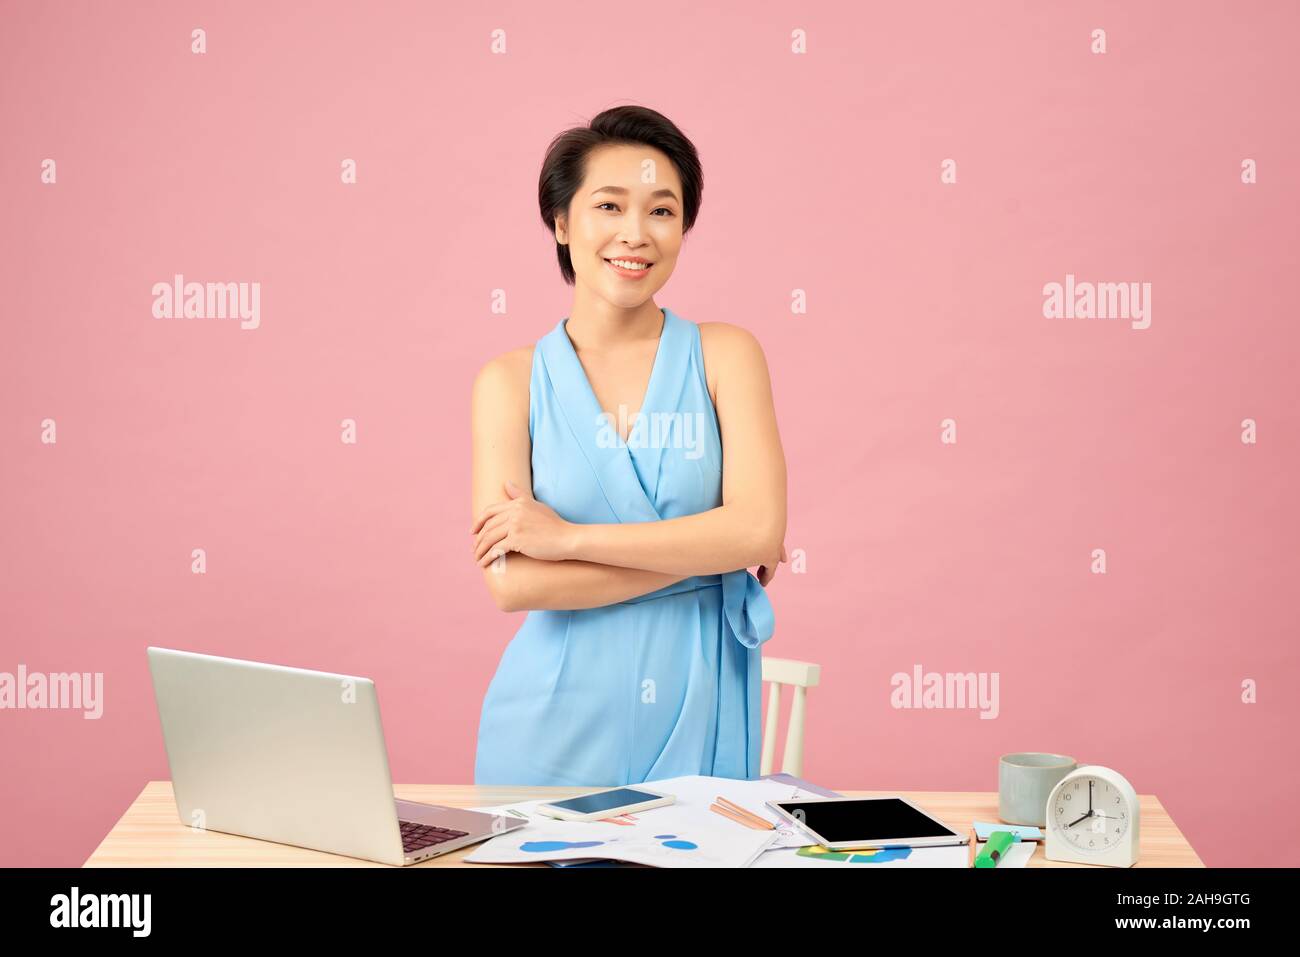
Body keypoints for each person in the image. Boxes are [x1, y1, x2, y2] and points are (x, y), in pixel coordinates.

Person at [471, 105, 787, 786]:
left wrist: (569, 540)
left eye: (662, 211)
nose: (635, 234)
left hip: (701, 709)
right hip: (548, 734)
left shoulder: (726, 356)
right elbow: (513, 584)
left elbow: (761, 528)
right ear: (560, 222)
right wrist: (714, 554)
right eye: (609, 206)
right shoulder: (510, 382)